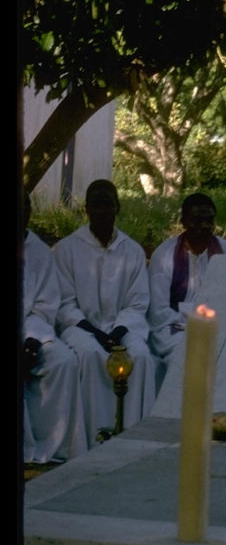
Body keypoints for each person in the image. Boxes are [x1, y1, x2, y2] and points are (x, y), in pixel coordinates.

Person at [54, 179, 157, 446]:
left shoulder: (131, 250)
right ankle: (95, 439)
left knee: (142, 357)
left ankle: (133, 437)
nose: (102, 212)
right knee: (90, 355)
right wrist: (97, 333)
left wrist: (117, 332)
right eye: (96, 206)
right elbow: (65, 303)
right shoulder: (67, 249)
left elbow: (138, 303)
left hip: (123, 328)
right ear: (86, 209)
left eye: (107, 205)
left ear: (117, 208)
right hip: (82, 328)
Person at [22, 192, 87, 464]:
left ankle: (55, 450)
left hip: (31, 330)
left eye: (23, 207)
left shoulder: (37, 250)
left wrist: (31, 341)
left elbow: (45, 305)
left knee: (64, 361)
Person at [148, 192, 226, 382]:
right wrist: (194, 321)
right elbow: (158, 313)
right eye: (197, 220)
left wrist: (210, 323)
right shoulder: (164, 255)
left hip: (216, 329)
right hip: (173, 331)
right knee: (187, 360)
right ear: (183, 222)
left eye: (209, 220)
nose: (204, 226)